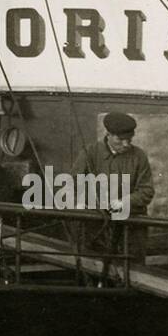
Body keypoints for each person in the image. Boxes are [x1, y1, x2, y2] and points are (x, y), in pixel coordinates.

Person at [69, 111, 155, 272]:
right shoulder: (90, 153)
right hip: (96, 229)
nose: (126, 144)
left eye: (129, 140)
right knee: (93, 270)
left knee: (133, 273)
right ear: (108, 134)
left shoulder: (139, 156)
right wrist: (88, 204)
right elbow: (73, 184)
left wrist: (124, 202)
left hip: (130, 229)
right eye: (120, 140)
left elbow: (147, 190)